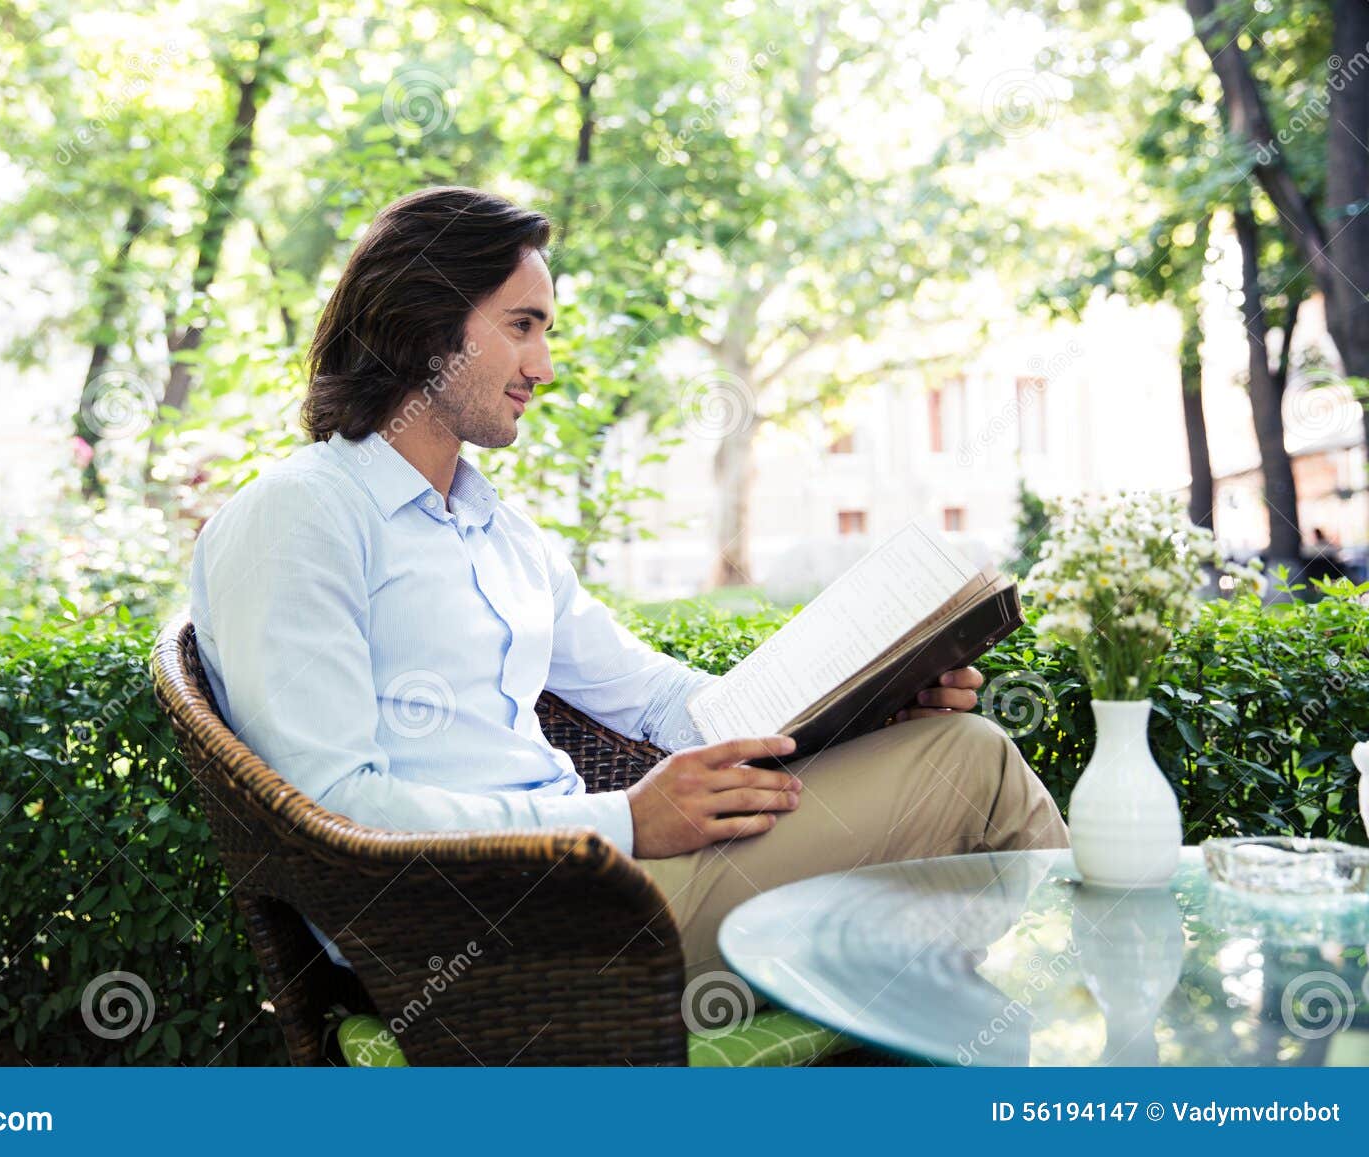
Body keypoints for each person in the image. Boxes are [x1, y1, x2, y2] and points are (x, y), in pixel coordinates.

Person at [189, 186, 1068, 997]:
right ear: (425, 330)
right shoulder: (297, 517)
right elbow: (342, 803)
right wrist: (626, 822)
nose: (545, 365)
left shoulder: (498, 532)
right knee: (974, 767)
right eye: (522, 326)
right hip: (483, 932)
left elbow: (654, 697)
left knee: (948, 744)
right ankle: (1117, 1058)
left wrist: (866, 705)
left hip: (598, 883)